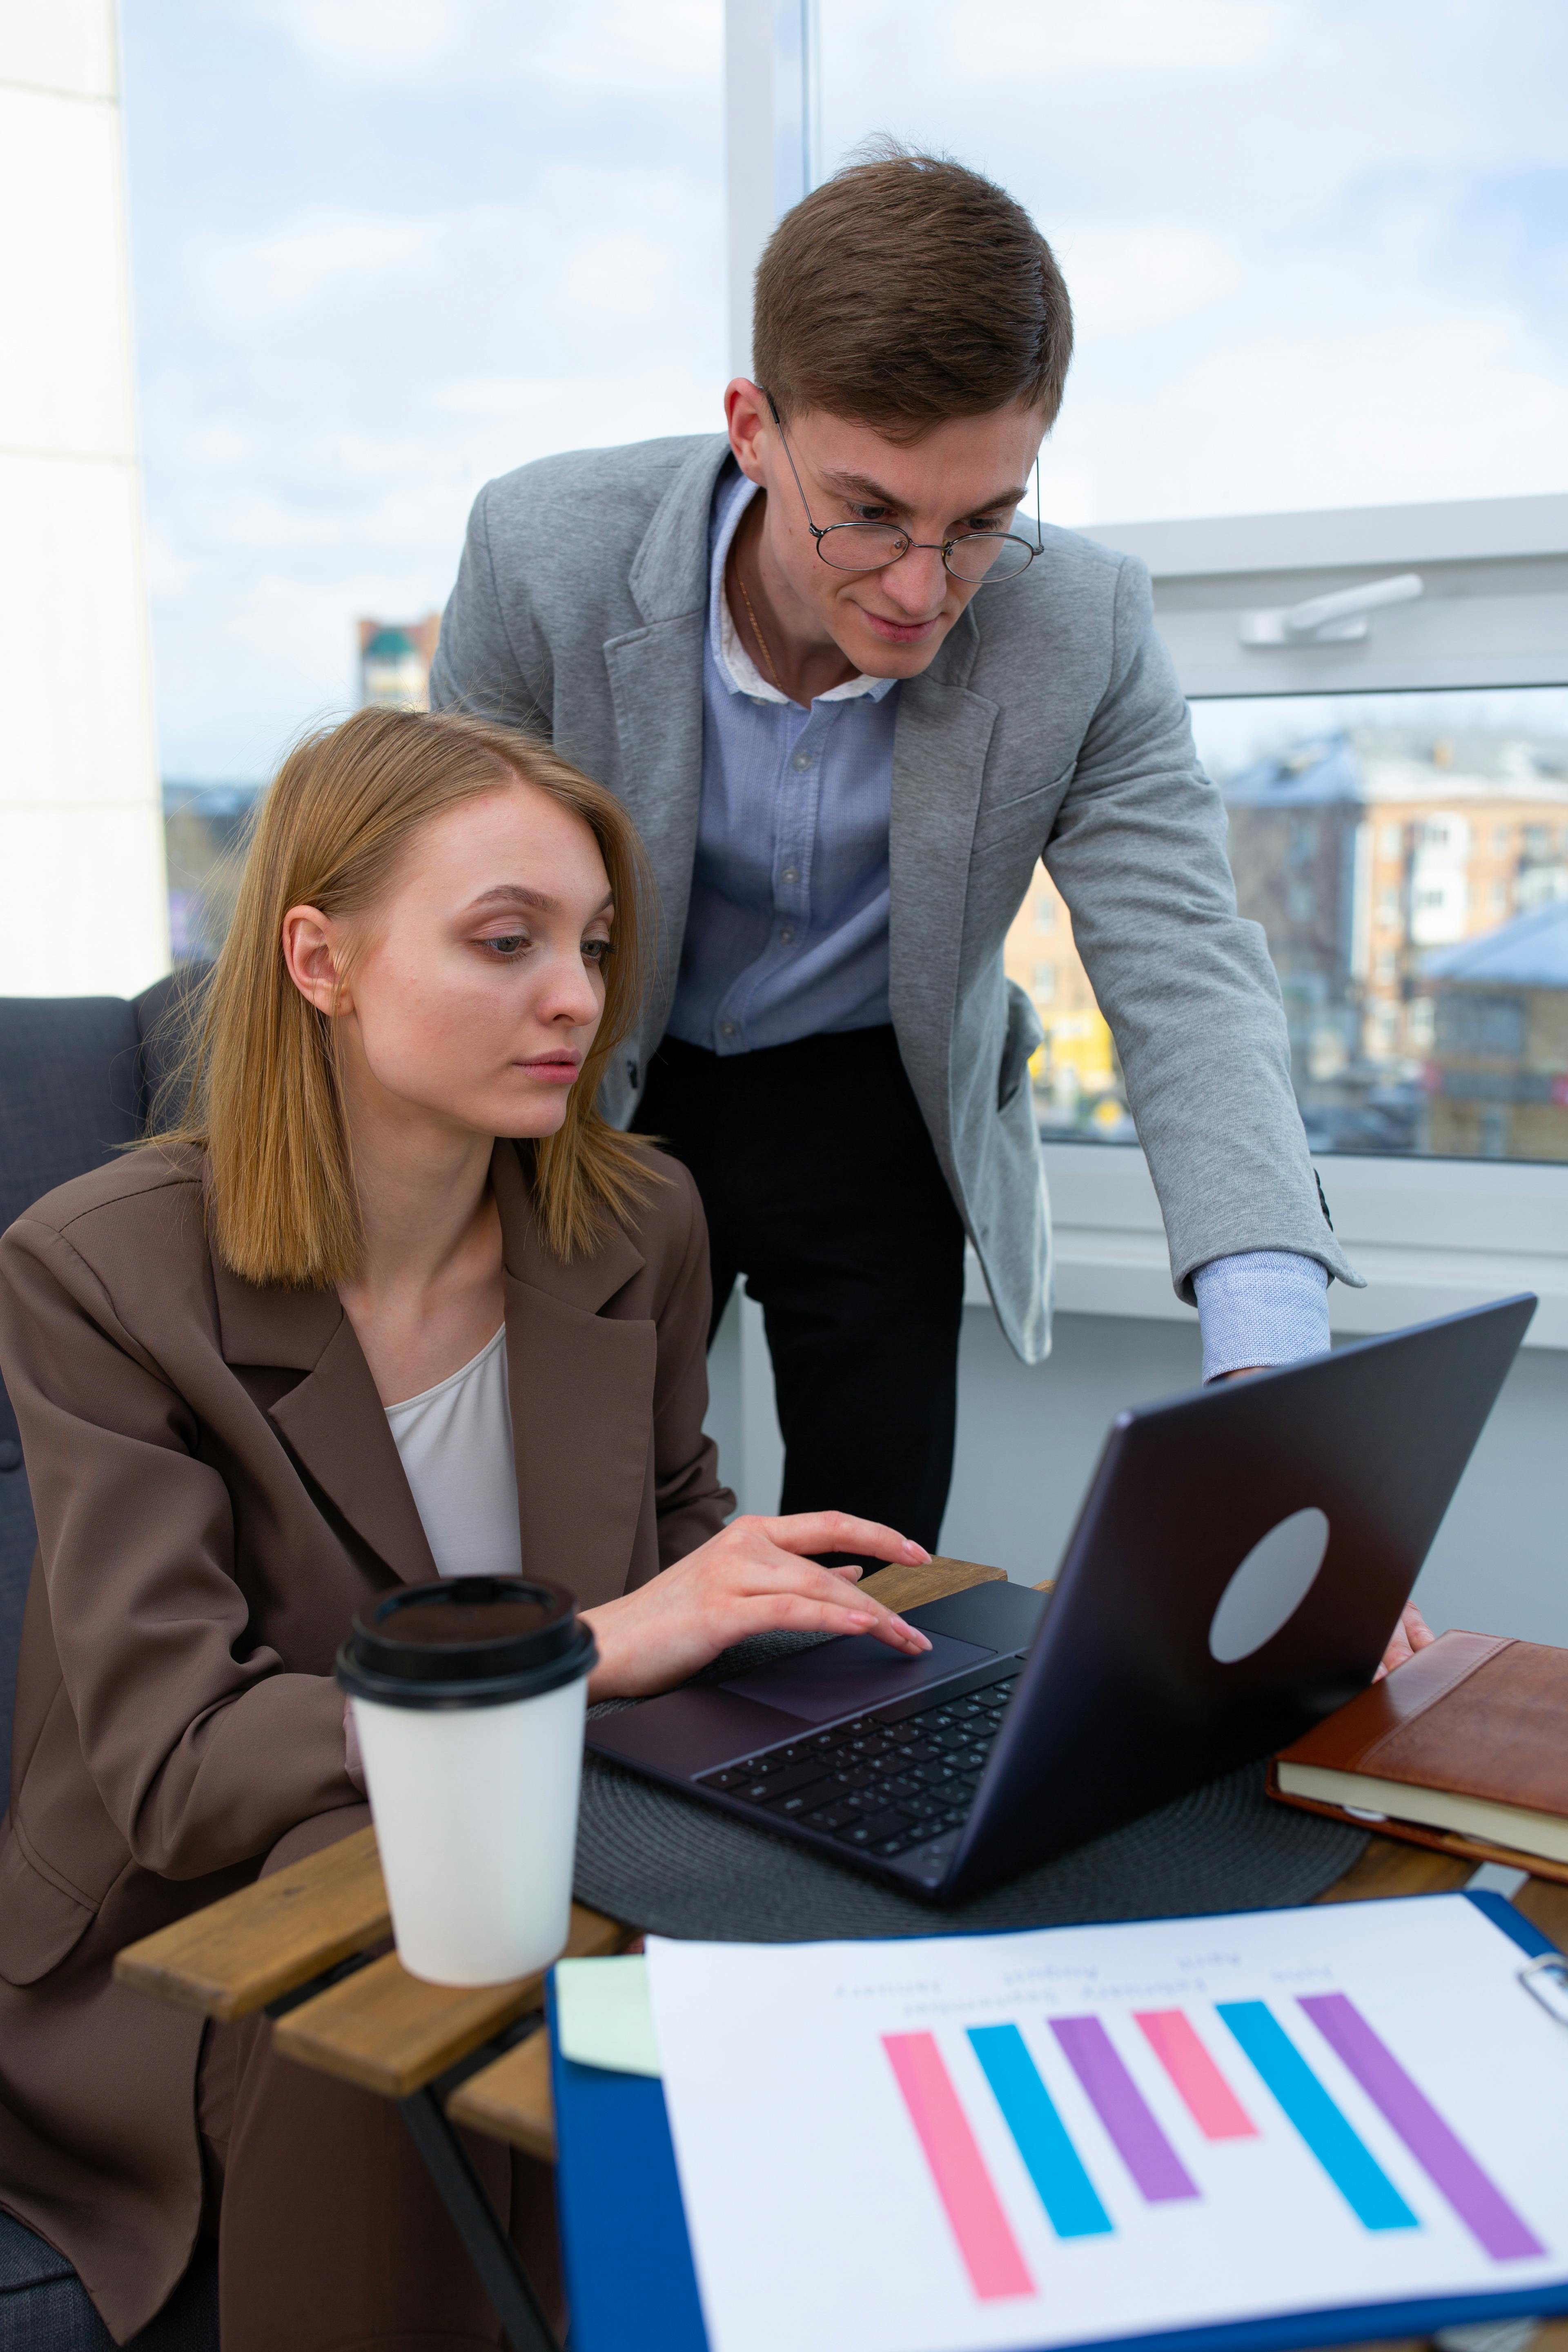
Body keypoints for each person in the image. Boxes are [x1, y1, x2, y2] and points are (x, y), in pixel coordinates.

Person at [0, 706, 932, 2352]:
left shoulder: (636, 1219)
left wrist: (790, 1612)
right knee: (415, 1928)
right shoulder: (99, 1271)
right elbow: (175, 1763)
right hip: (199, 1928)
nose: (576, 996)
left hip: (554, 1845)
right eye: (505, 943)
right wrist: (590, 1652)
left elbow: (669, 1555)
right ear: (320, 960)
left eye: (589, 943)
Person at [428, 147, 1372, 1560]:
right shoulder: (540, 549)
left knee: (871, 1572)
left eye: (982, 521)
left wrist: (1272, 1373)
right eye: (869, 512)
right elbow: (444, 896)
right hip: (601, 1079)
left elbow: (1186, 976)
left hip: (876, 1097)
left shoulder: (1087, 628)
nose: (922, 588)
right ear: (753, 426)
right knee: (583, 1536)